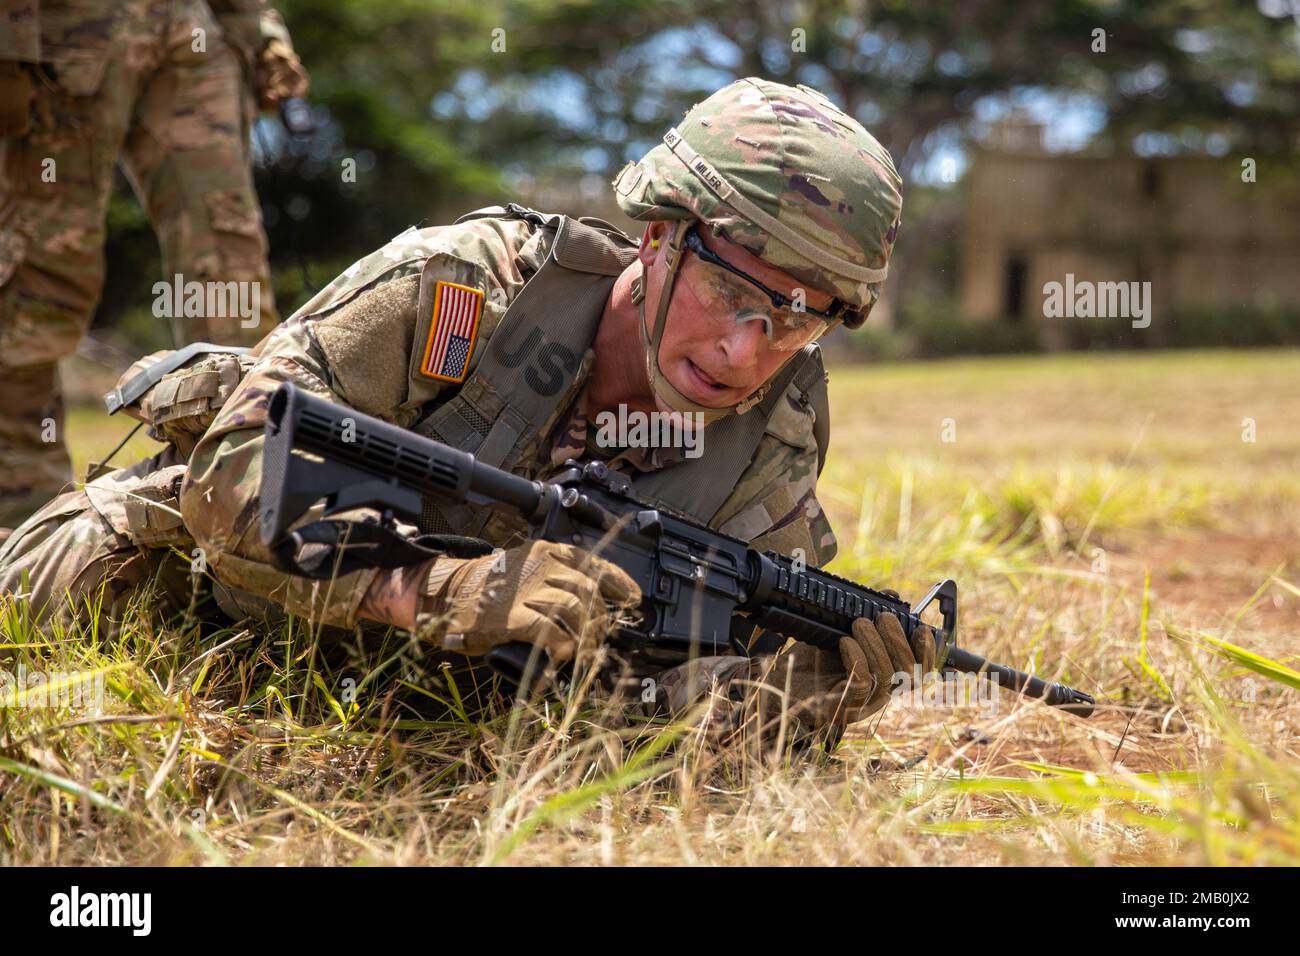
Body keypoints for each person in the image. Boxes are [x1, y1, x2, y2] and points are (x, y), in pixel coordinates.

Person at [0, 77, 936, 744]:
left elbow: (657, 703)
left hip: (404, 709)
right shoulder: (468, 286)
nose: (748, 352)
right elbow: (237, 463)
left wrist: (784, 704)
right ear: (660, 237)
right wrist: (428, 588)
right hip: (169, 592)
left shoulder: (774, 434)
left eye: (797, 323)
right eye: (736, 295)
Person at [0, 0, 308, 528]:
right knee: (39, 262)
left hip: (191, 32)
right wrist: (10, 43)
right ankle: (24, 521)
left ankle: (238, 497)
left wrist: (259, 30)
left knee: (226, 255)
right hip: (65, 33)